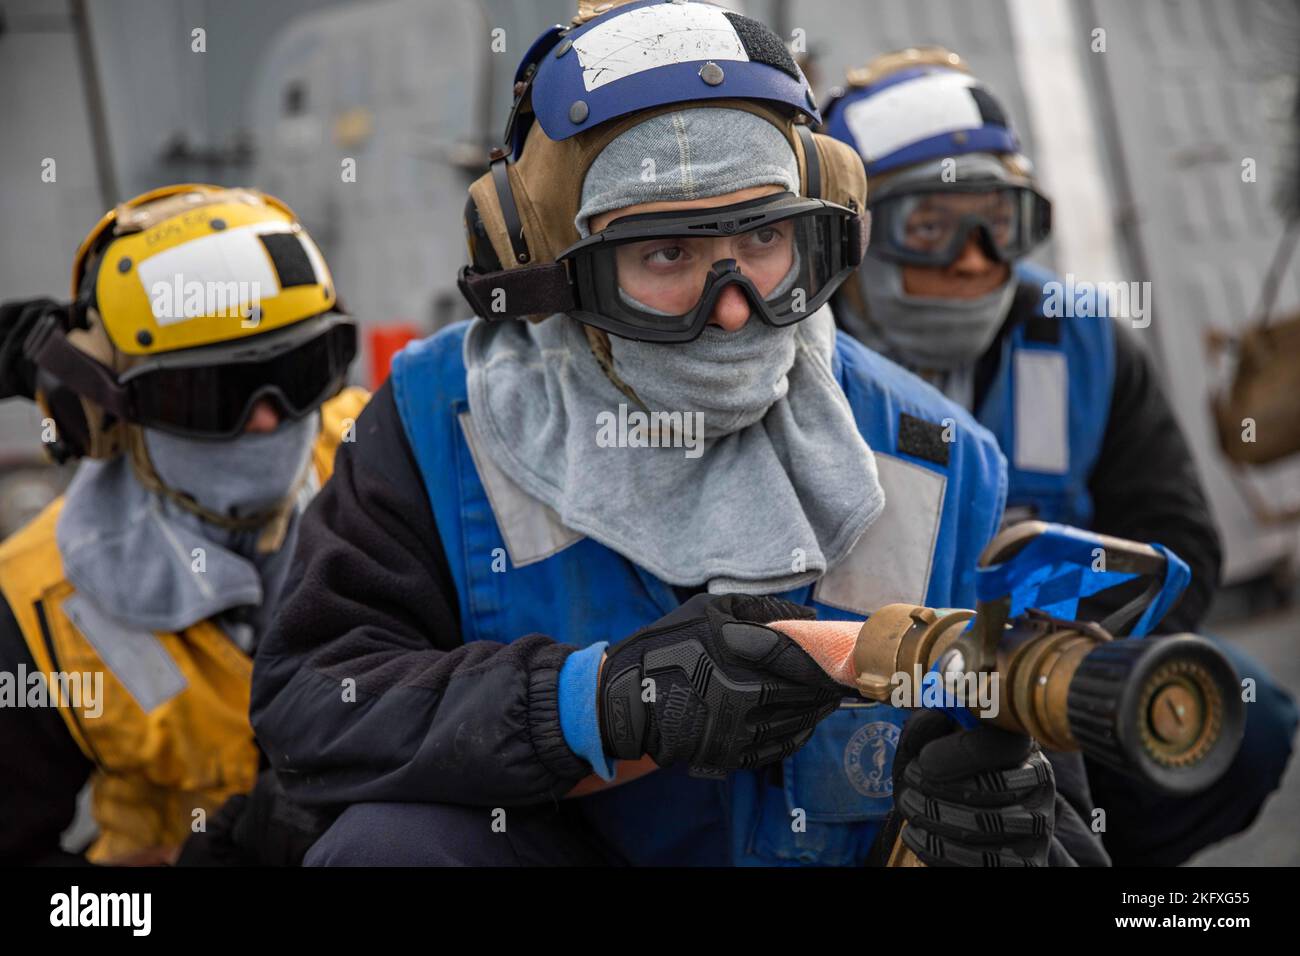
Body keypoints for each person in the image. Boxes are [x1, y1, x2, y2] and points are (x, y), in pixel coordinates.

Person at [252, 0, 1108, 867]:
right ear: (546, 264)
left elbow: (1071, 829)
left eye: (766, 235)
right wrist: (596, 705)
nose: (733, 310)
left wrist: (1004, 838)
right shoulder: (438, 422)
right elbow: (314, 705)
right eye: (668, 256)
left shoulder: (942, 456)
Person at [822, 47, 1298, 864]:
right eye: (930, 227)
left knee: (1248, 720)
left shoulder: (1082, 340)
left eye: (997, 222)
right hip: (853, 691)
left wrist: (1047, 668)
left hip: (1047, 681)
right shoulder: (804, 361)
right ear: (855, 240)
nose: (975, 257)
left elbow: (1177, 539)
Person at [0, 184, 366, 865]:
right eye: (215, 394)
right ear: (107, 413)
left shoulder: (381, 456)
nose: (267, 420)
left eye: (296, 372)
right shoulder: (37, 608)